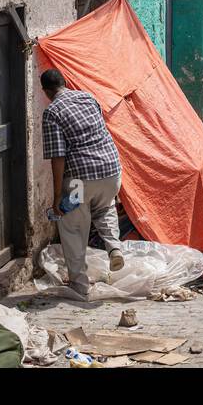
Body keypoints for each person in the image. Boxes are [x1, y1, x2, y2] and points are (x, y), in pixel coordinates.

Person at [40, 68, 124, 298]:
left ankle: (79, 284)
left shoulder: (52, 112)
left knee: (73, 227)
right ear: (65, 83)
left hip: (81, 181)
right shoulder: (87, 97)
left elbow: (58, 158)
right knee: (105, 208)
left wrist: (57, 196)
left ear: (46, 91)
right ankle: (114, 247)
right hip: (112, 170)